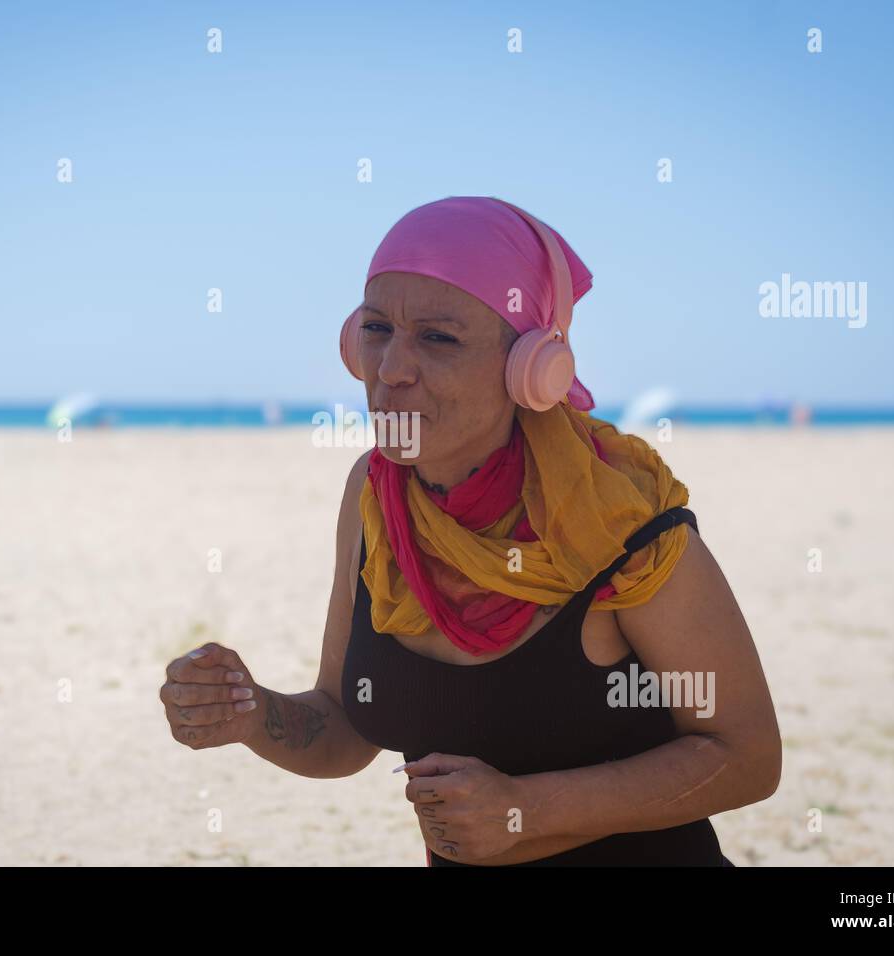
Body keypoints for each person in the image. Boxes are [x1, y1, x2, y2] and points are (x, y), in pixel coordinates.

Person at [161, 196, 781, 866]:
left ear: (532, 366)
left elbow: (745, 756)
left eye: (438, 337)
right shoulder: (374, 495)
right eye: (376, 329)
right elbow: (346, 724)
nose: (391, 368)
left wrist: (526, 811)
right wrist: (251, 715)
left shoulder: (621, 518)